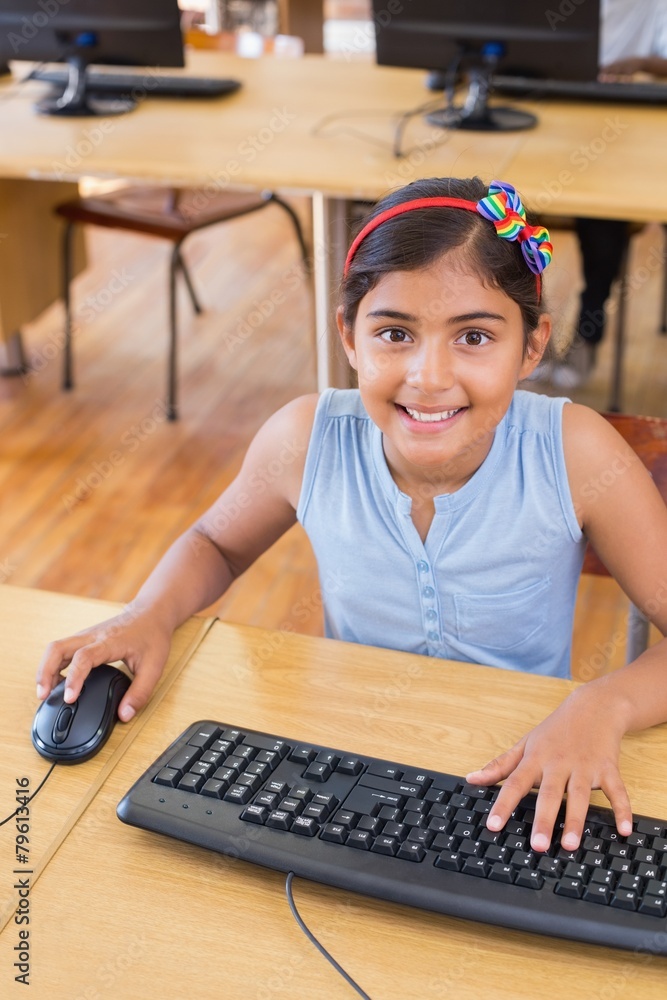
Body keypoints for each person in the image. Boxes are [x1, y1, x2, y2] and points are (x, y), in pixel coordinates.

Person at [36, 176, 667, 857]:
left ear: (532, 345)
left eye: (474, 337)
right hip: (349, 764)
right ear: (349, 337)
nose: (428, 376)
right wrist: (149, 612)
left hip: (522, 768)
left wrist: (600, 704)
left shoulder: (574, 454)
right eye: (394, 332)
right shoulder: (305, 438)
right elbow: (216, 544)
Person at [551, 0, 667, 388]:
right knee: (502, 208)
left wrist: (640, 63)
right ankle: (528, 326)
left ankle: (588, 331)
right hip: (560, 117)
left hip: (636, 131)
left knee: (603, 217)